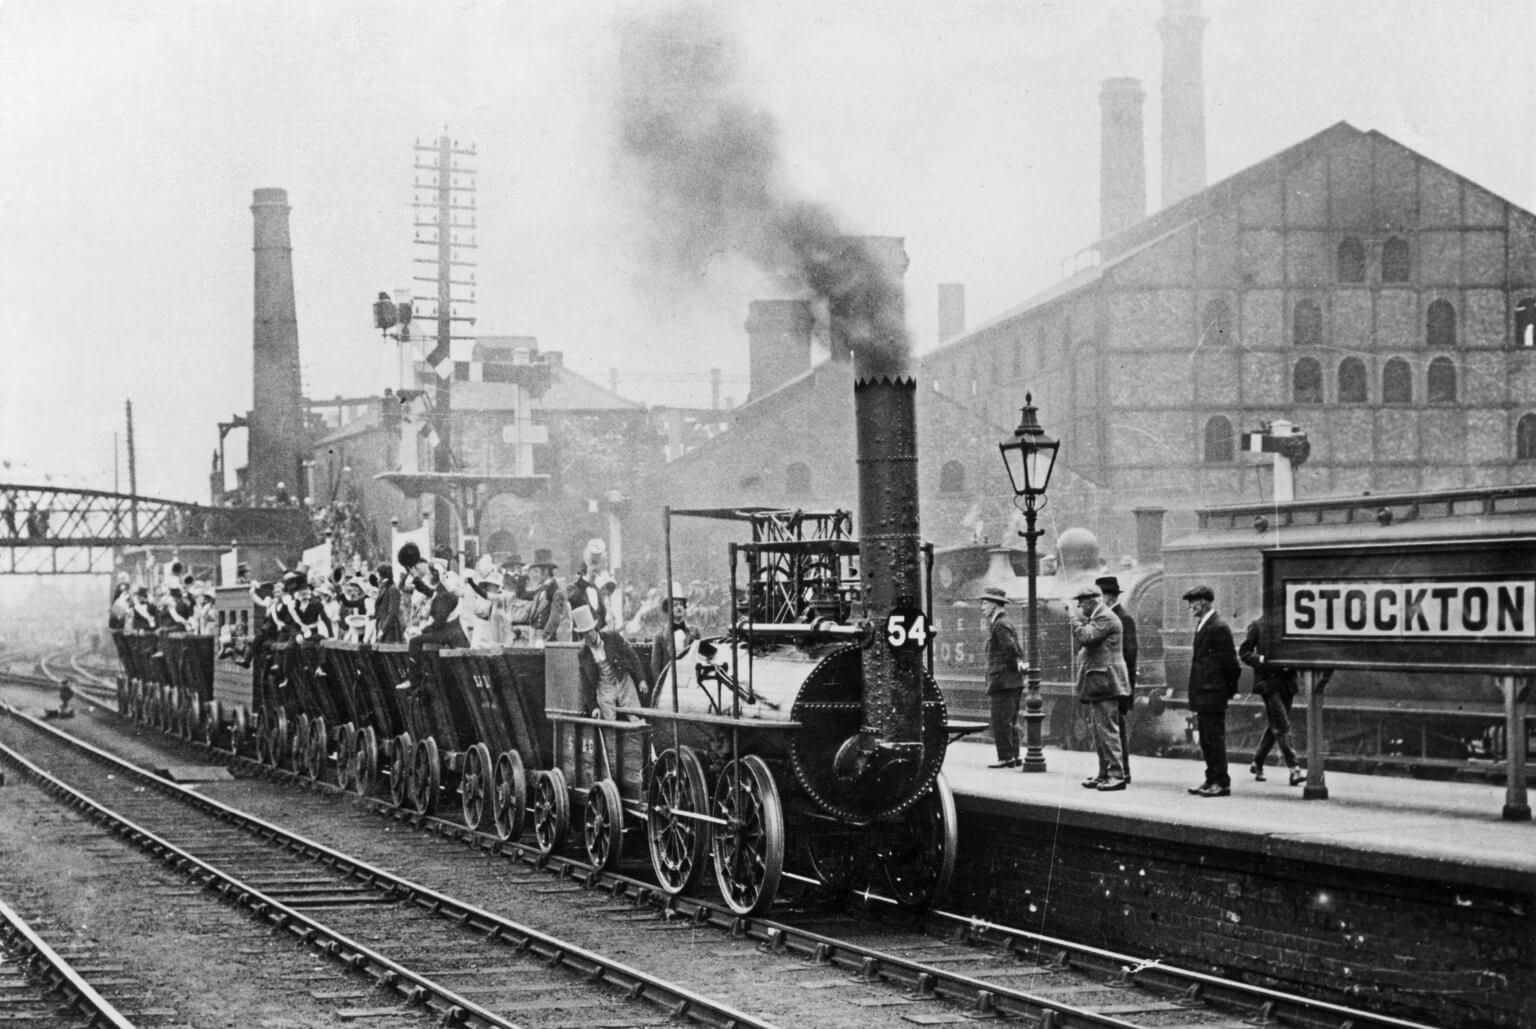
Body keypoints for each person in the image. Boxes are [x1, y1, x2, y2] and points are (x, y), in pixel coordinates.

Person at [1070, 585, 1132, 791]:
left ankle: (1116, 774)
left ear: (1090, 601)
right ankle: (1104, 773)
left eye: (1081, 602)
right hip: (1099, 683)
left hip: (1105, 682)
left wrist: (1074, 618)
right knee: (1099, 731)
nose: (1079, 606)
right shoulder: (1100, 617)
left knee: (1107, 729)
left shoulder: (1105, 617)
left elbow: (1085, 637)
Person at [1183, 584, 1241, 797]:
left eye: (1193, 603)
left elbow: (1230, 664)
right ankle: (1211, 779)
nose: (1190, 607)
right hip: (1204, 692)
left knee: (1214, 739)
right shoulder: (1204, 625)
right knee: (1207, 739)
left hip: (1213, 693)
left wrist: (1228, 690)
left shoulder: (1219, 627)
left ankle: (1221, 782)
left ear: (1204, 602)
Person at [1240, 617, 1306, 786]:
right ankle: (1294, 769)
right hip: (1268, 684)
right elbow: (1244, 653)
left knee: (1276, 725)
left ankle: (1258, 762)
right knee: (1282, 725)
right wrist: (1262, 660)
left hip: (1287, 684)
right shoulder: (1257, 625)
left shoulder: (1291, 623)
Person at [1096, 575, 1138, 783]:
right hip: (1107, 684)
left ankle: (1123, 771)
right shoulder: (1104, 618)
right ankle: (1106, 771)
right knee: (1107, 729)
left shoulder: (1123, 619)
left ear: (1108, 597)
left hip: (1117, 684)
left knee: (1116, 730)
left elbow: (1129, 656)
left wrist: (1126, 688)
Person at [977, 585, 1024, 769]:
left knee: (1000, 721)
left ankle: (1006, 757)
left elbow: (1011, 650)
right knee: (1010, 720)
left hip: (1003, 681)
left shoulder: (1000, 624)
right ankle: (1014, 756)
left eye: (985, 603)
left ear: (995, 605)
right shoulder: (1005, 622)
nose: (982, 607)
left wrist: (1012, 667)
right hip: (1010, 680)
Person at [574, 604, 645, 720]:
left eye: (589, 631)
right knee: (608, 722)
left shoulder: (612, 637)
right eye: (584, 634)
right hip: (604, 687)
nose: (587, 636)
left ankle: (637, 736)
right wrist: (594, 707)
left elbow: (632, 657)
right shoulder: (583, 654)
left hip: (623, 680)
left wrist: (641, 679)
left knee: (635, 715)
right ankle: (610, 737)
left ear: (594, 629)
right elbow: (585, 684)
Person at [650, 584, 697, 703]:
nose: (679, 608)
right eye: (675, 605)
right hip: (669, 684)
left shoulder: (694, 632)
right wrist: (661, 688)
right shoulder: (660, 636)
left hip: (690, 683)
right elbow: (655, 666)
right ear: (669, 609)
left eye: (681, 604)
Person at [373, 563, 404, 643]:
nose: (376, 576)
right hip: (382, 627)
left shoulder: (393, 589)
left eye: (377, 573)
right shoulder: (384, 588)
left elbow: (393, 613)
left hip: (390, 631)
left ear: (382, 575)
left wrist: (383, 630)